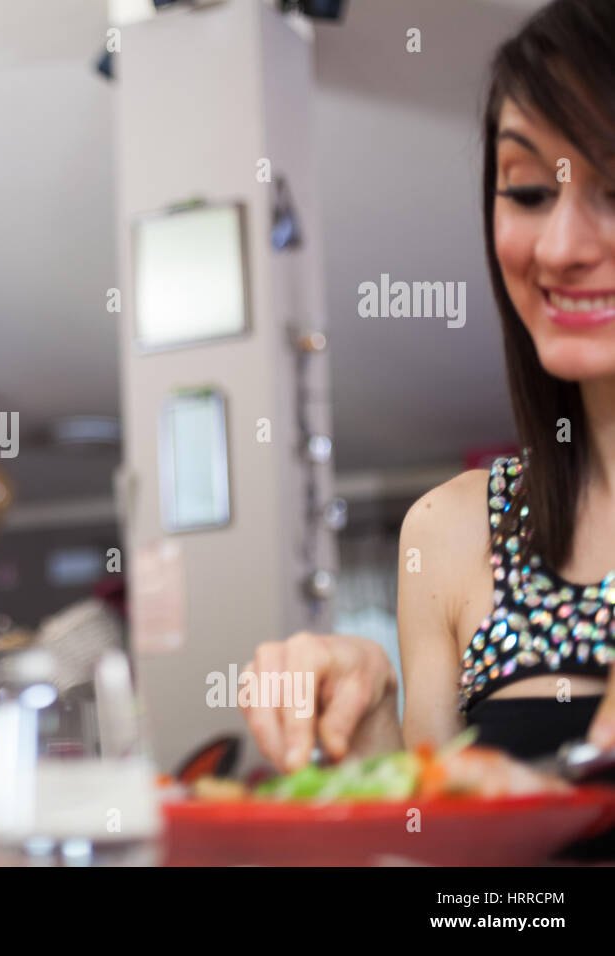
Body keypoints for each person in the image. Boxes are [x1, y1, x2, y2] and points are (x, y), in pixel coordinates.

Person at [240, 0, 615, 773]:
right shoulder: (450, 531)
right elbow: (446, 876)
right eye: (529, 191)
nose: (561, 245)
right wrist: (370, 729)